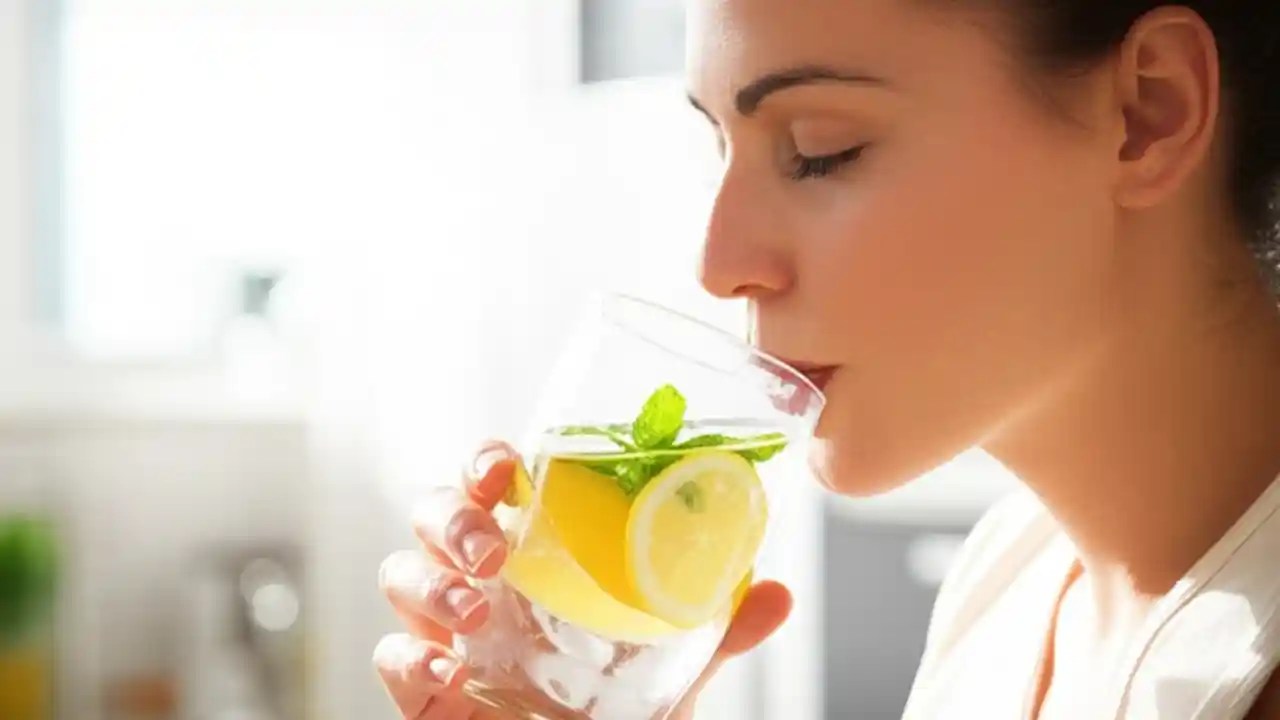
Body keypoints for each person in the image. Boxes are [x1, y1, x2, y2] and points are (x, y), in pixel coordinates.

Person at [373, 0, 1280, 717]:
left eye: (818, 153)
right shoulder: (1010, 583)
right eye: (718, 148)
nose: (720, 266)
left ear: (1148, 111)